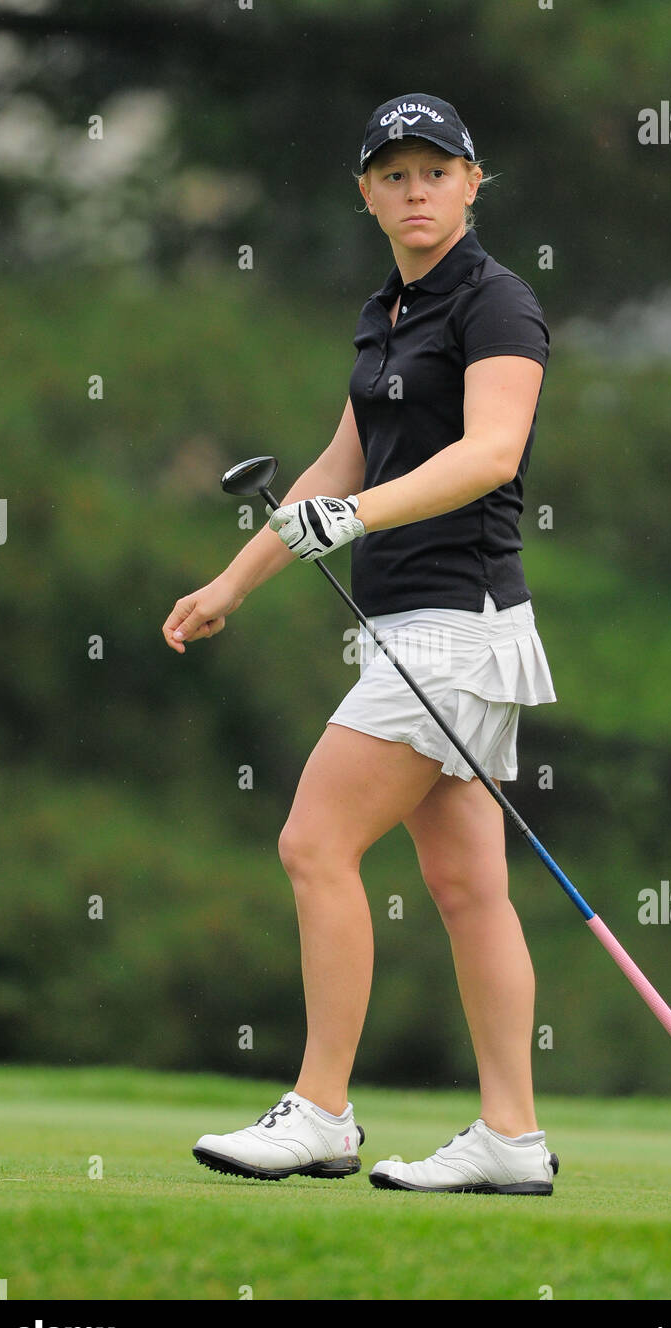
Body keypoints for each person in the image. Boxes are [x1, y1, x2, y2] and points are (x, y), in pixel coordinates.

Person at [162, 93, 559, 1195]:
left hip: (454, 626)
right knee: (466, 884)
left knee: (312, 843)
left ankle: (323, 1110)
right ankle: (510, 1136)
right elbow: (339, 468)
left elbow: (488, 453)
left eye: (435, 171)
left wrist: (360, 517)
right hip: (412, 624)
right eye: (393, 174)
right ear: (366, 194)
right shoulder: (387, 311)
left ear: (473, 182)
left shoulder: (497, 305)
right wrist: (230, 583)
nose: (415, 190)